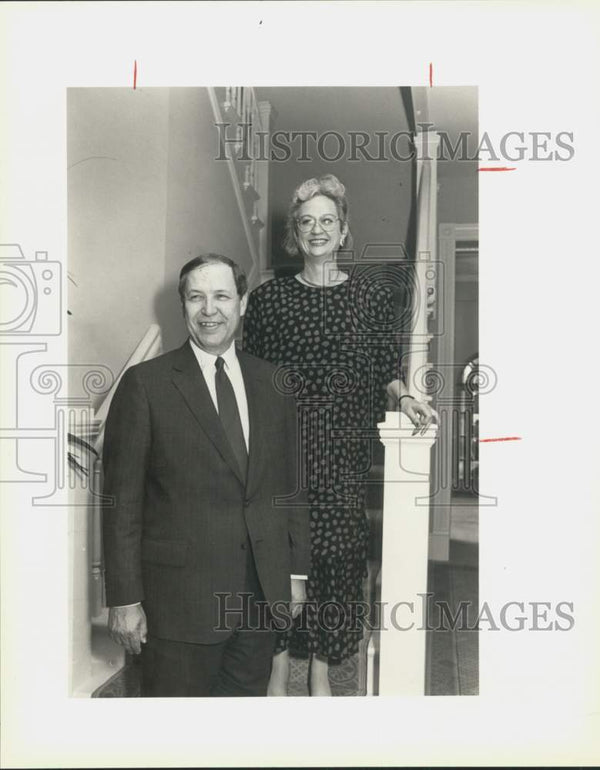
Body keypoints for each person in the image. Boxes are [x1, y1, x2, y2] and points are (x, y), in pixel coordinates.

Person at [243, 174, 435, 696]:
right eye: (307, 222)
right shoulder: (268, 300)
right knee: (278, 559)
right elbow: (250, 375)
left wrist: (405, 397)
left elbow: (383, 367)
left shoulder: (369, 299)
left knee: (337, 559)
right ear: (295, 235)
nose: (318, 229)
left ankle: (323, 672)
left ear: (344, 230)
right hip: (280, 450)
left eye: (328, 220)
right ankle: (279, 668)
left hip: (341, 453)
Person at [102, 254, 310, 697]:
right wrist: (124, 599)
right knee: (175, 741)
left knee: (240, 736)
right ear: (183, 306)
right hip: (178, 605)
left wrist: (294, 573)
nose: (209, 309)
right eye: (196, 297)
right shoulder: (146, 385)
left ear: (243, 302)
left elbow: (290, 486)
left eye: (221, 296)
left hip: (258, 599)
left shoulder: (274, 383)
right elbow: (122, 503)